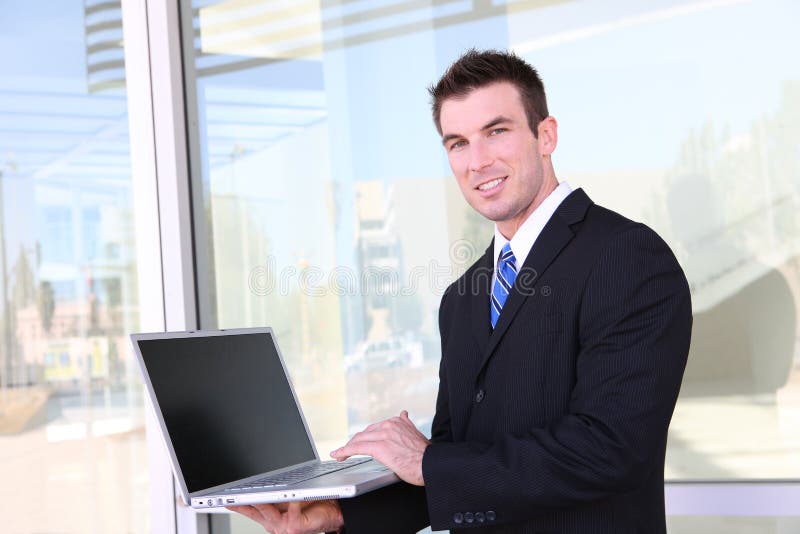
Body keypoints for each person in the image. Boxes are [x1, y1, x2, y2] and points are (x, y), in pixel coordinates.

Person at [230, 49, 692, 534]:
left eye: (497, 131)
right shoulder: (463, 297)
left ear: (546, 135)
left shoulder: (628, 257)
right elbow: (457, 469)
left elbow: (609, 448)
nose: (478, 161)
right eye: (457, 143)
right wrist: (340, 515)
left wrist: (427, 461)